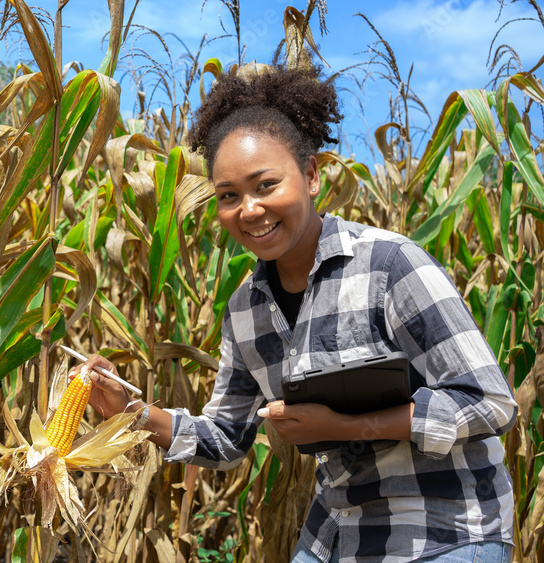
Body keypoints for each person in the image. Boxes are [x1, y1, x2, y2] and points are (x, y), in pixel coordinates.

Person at [74, 63, 518, 562]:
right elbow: (225, 437)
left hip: (443, 527)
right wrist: (130, 413)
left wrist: (345, 426)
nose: (249, 210)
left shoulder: (388, 265)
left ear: (310, 175)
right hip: (339, 529)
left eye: (266, 185)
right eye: (228, 196)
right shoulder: (245, 310)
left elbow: (489, 403)